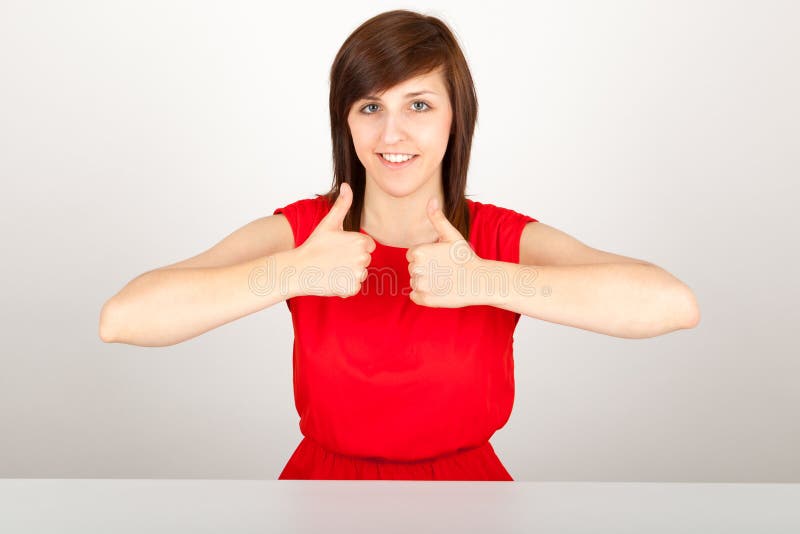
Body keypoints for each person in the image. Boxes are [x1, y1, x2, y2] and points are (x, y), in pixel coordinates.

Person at [99, 10, 700, 481]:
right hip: (320, 493)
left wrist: (488, 281)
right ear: (347, 122)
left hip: (469, 498)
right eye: (370, 107)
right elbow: (124, 318)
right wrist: (286, 274)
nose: (393, 133)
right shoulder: (308, 234)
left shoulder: (493, 237)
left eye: (418, 104)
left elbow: (671, 303)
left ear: (454, 119)